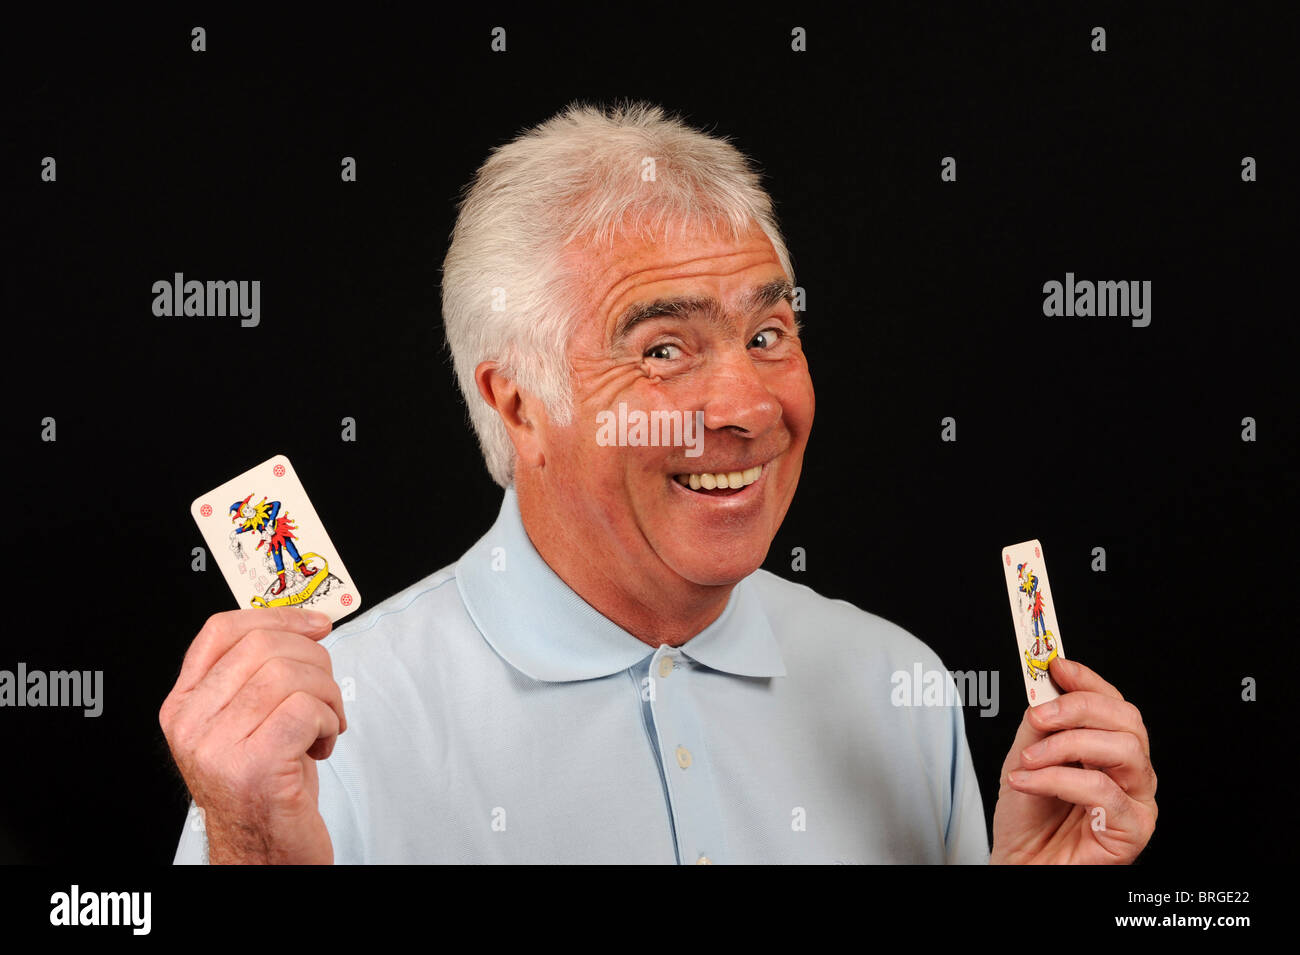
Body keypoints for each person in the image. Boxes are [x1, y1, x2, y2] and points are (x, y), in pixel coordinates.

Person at [161, 101, 1157, 864]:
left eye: (768, 334)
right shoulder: (320, 737)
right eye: (664, 348)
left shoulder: (898, 686)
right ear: (516, 404)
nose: (746, 405)